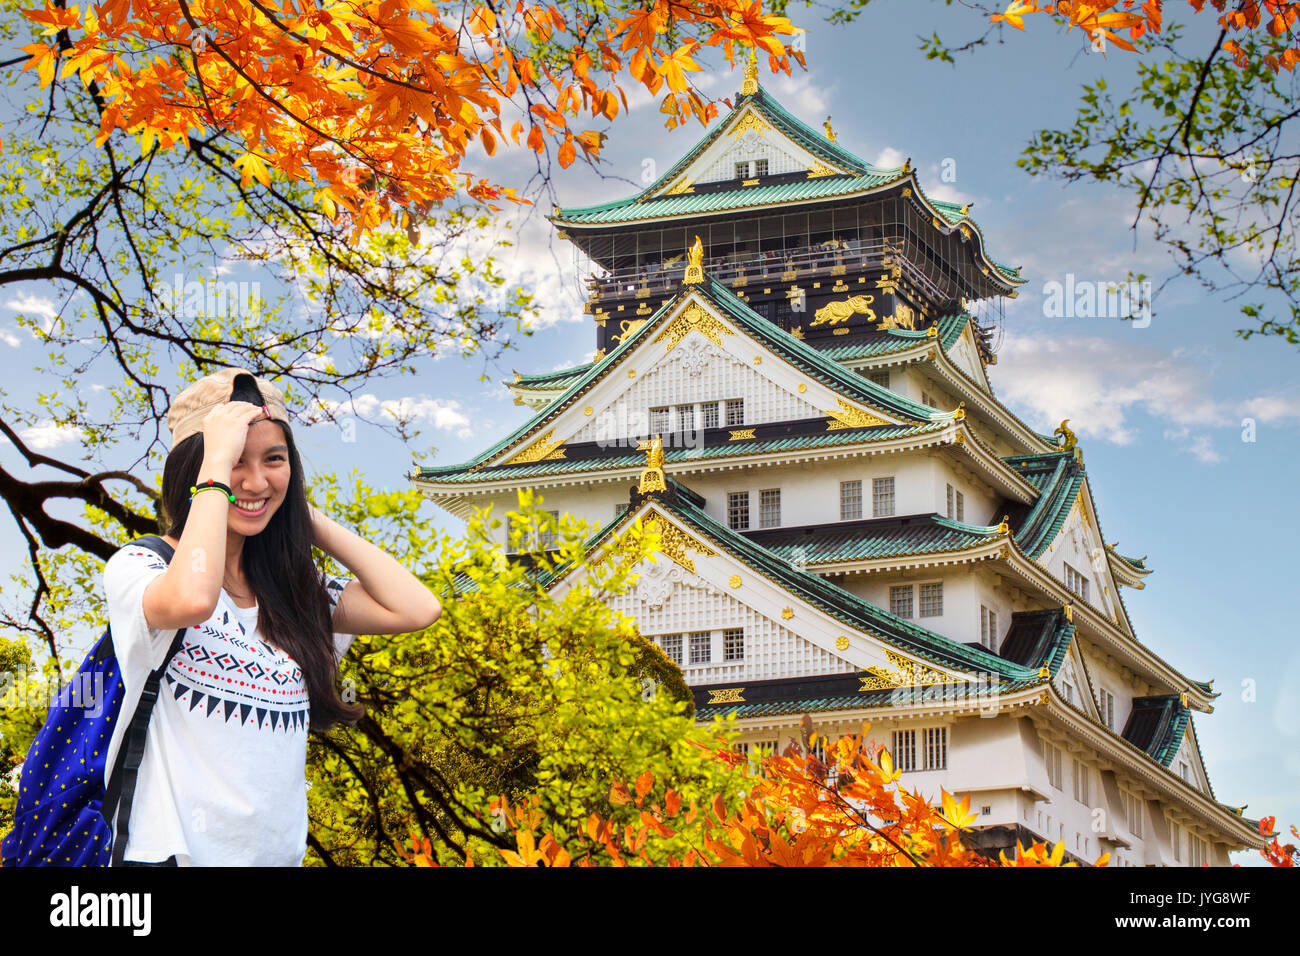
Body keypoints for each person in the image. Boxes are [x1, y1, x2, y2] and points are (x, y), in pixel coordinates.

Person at [102, 368, 441, 866]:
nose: (255, 480)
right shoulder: (145, 566)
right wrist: (215, 461)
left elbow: (417, 607)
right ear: (196, 471)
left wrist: (296, 511)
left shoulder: (298, 596)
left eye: (274, 460)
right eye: (235, 461)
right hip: (168, 857)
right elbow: (195, 598)